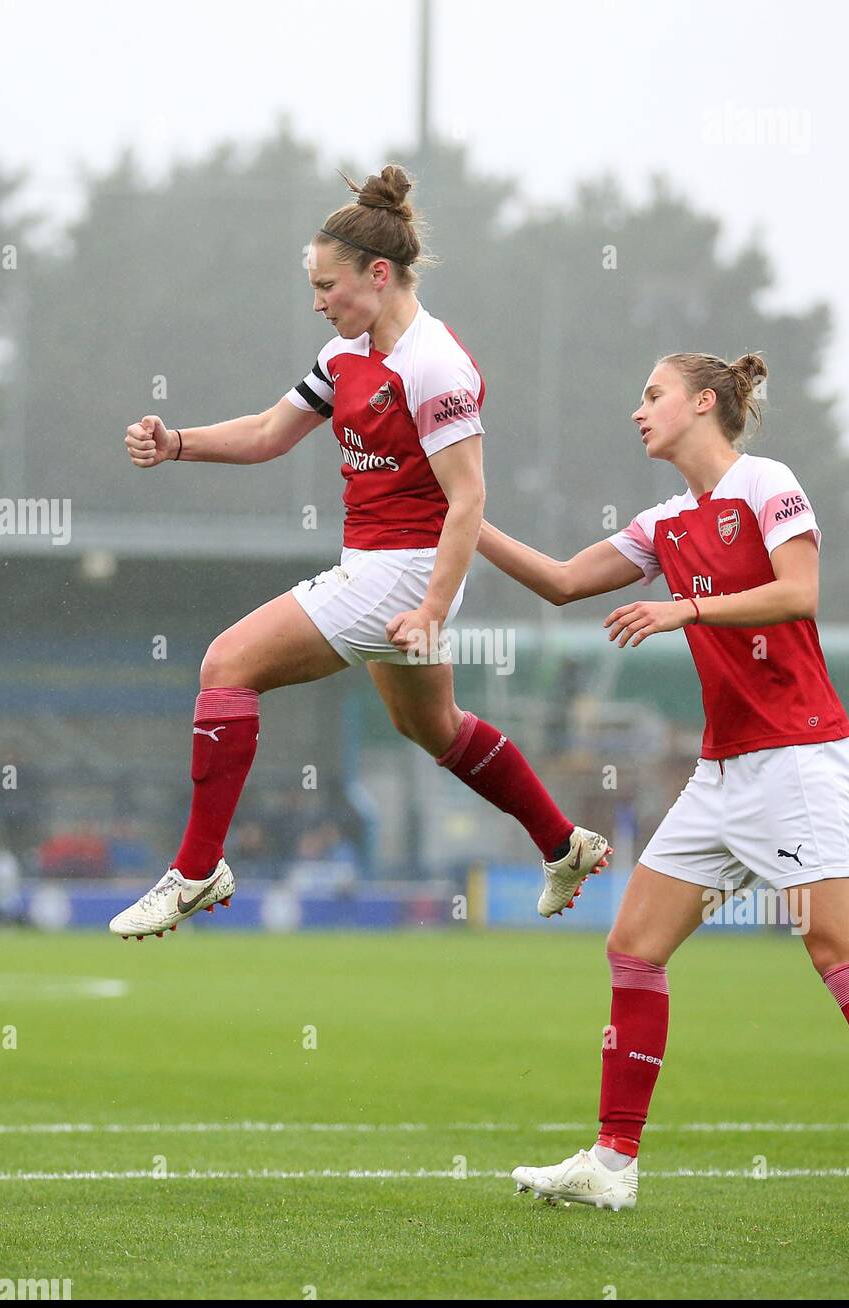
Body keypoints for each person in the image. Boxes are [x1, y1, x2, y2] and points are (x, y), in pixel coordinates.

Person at [476, 351, 849, 1225]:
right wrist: (464, 517)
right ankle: (613, 1163)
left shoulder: (767, 482)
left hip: (799, 758)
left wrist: (681, 609)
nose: (637, 411)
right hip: (722, 772)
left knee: (837, 951)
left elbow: (799, 592)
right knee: (632, 944)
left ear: (704, 404)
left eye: (650, 394)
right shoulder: (663, 523)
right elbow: (557, 583)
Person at [109, 165, 610, 941]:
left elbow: (468, 499)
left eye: (327, 286)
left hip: (403, 572)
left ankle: (197, 869)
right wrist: (178, 443)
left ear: (379, 275)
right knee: (433, 727)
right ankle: (562, 843)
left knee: (224, 665)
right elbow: (271, 432)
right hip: (385, 571)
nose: (318, 301)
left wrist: (431, 609)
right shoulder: (344, 353)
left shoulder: (434, 365)